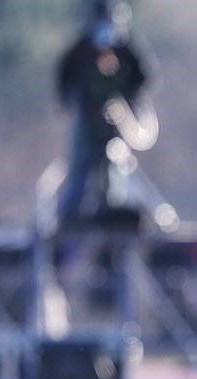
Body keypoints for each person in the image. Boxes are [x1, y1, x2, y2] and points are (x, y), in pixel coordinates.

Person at [56, 0, 149, 229]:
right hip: (88, 123)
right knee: (79, 172)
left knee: (115, 174)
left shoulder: (126, 47)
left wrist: (127, 100)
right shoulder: (83, 48)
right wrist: (72, 100)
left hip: (117, 124)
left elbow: (145, 77)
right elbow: (64, 76)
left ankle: (114, 220)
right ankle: (69, 221)